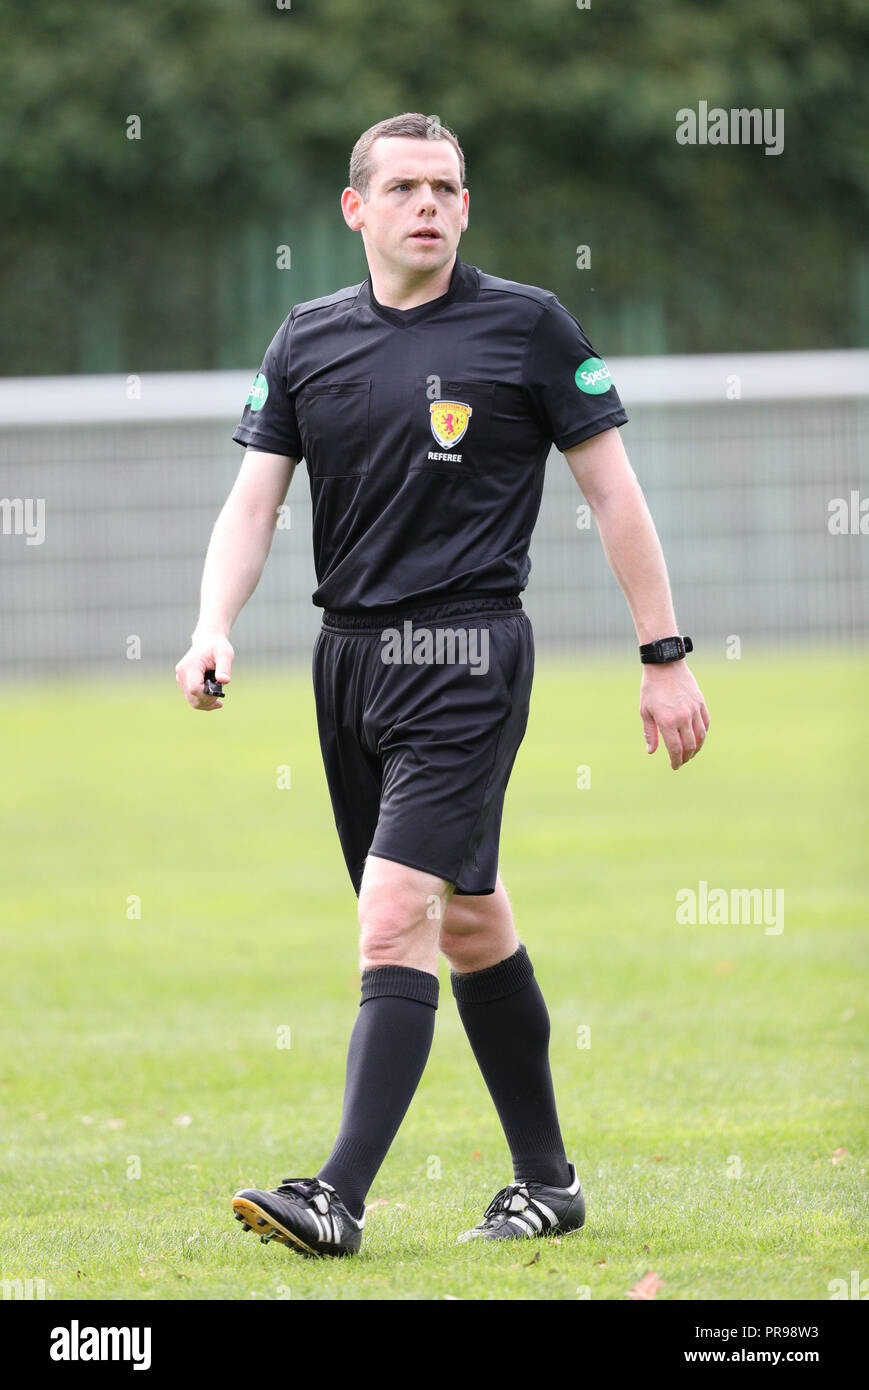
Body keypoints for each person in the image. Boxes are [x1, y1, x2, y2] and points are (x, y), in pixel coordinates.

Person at [175, 112, 710, 1259]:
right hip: (349, 660)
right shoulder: (305, 338)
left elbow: (614, 493)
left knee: (393, 911)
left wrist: (661, 655)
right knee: (467, 919)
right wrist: (210, 627)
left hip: (465, 653)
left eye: (448, 187)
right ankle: (548, 1184)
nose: (430, 204)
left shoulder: (526, 326)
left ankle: (337, 1194)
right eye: (406, 186)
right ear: (355, 209)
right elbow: (255, 502)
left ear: (466, 207)